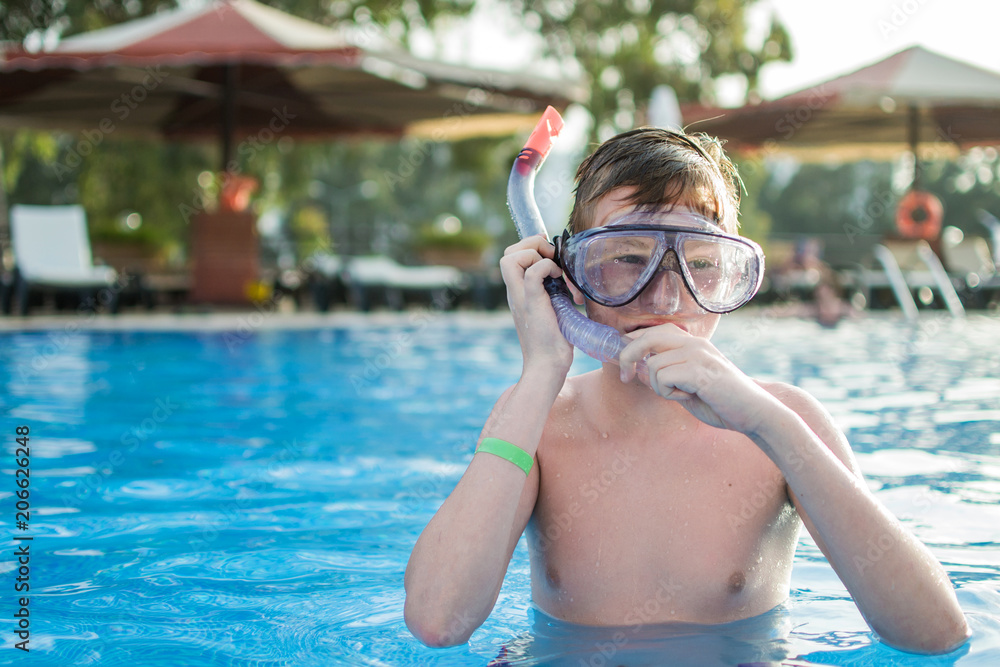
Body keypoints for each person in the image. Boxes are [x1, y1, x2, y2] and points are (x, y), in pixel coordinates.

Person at [403, 127, 970, 654]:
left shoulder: (784, 421)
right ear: (569, 276)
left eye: (701, 263)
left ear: (731, 275)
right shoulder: (535, 420)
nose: (666, 296)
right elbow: (437, 620)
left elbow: (935, 634)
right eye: (626, 258)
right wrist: (540, 373)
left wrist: (769, 427)